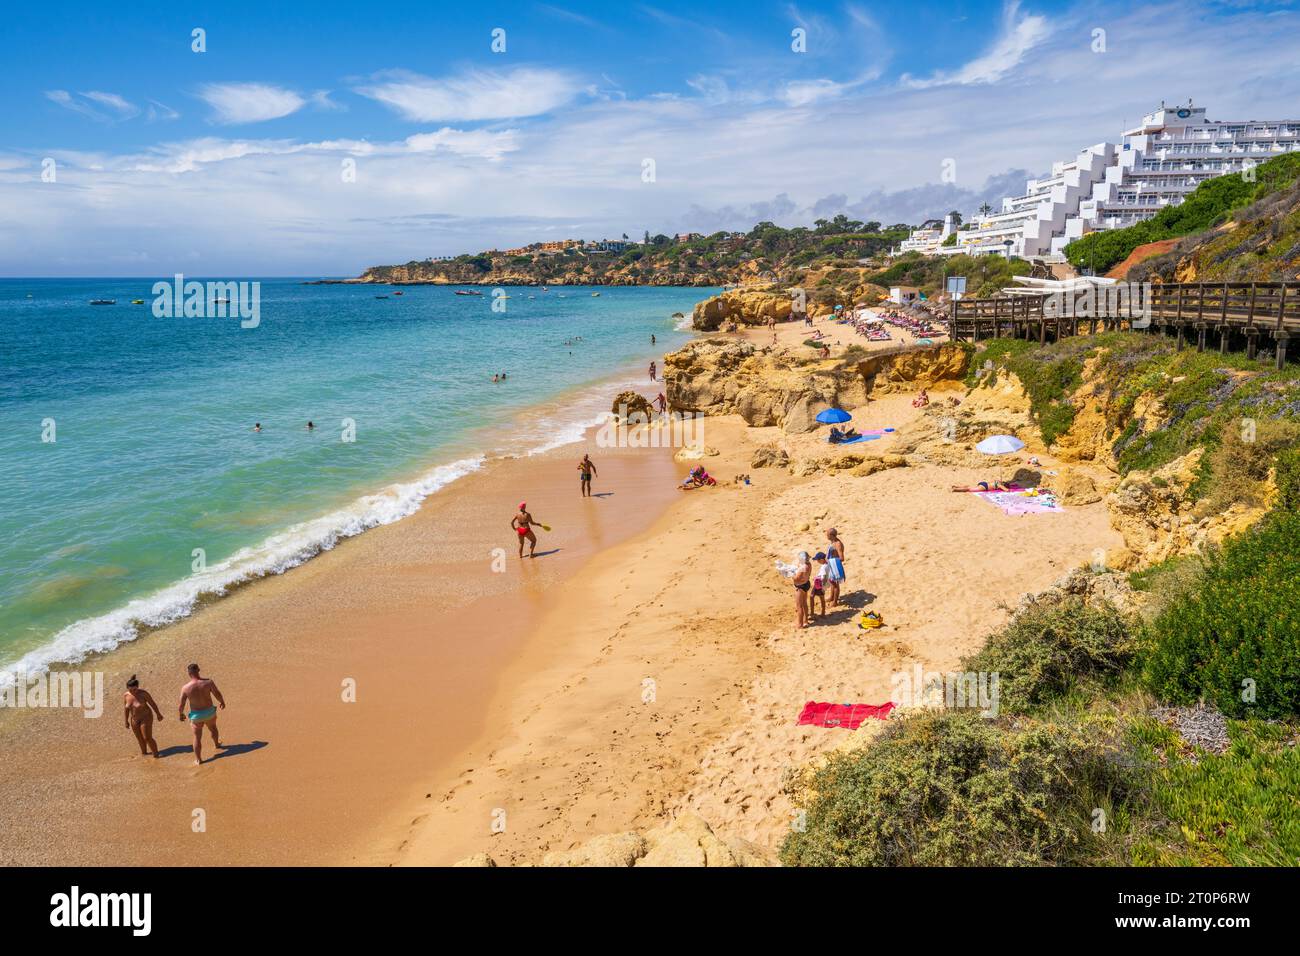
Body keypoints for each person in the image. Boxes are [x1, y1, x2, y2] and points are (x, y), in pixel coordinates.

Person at [178, 663, 226, 766]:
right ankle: (217, 744)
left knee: (197, 737)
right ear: (198, 670)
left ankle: (199, 760)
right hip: (209, 712)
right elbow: (217, 693)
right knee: (213, 728)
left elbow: (181, 704)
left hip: (196, 716)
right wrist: (222, 702)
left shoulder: (185, 688)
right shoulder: (208, 682)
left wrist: (181, 714)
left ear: (189, 673)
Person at [123, 675, 164, 758]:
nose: (133, 692)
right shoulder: (126, 695)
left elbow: (152, 703)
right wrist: (126, 721)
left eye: (135, 689)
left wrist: (158, 714)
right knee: (140, 738)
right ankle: (144, 754)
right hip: (134, 719)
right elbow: (126, 709)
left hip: (146, 717)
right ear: (127, 688)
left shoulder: (143, 694)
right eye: (130, 690)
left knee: (147, 737)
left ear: (138, 687)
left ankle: (156, 755)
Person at [825, 528, 846, 607]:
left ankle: (835, 602)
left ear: (831, 535)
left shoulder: (838, 544)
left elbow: (842, 558)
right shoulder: (832, 542)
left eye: (827, 534)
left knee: (836, 584)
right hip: (831, 565)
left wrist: (830, 561)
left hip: (835, 566)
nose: (826, 535)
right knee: (832, 582)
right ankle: (831, 597)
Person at [792, 552, 811, 629]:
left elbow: (796, 578)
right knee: (804, 603)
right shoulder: (809, 564)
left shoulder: (802, 568)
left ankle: (800, 624)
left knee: (799, 606)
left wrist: (791, 574)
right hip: (806, 584)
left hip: (800, 587)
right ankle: (805, 620)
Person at [811, 552, 829, 619]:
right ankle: (823, 613)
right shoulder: (827, 564)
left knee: (811, 596)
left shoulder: (823, 567)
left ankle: (812, 613)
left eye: (818, 560)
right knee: (822, 598)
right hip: (824, 584)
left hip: (819, 584)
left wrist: (822, 586)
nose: (817, 561)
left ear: (821, 559)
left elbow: (823, 577)